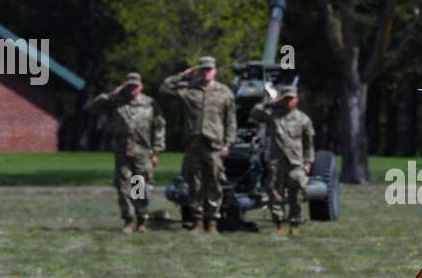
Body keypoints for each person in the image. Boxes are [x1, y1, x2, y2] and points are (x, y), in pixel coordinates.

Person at [159, 55, 237, 233]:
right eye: (202, 69)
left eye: (209, 69)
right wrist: (184, 75)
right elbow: (164, 88)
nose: (206, 72)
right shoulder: (188, 91)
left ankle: (213, 222)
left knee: (215, 184)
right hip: (194, 144)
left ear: (215, 71)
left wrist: (228, 144)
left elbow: (231, 121)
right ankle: (198, 221)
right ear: (198, 71)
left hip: (215, 145)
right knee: (195, 184)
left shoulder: (224, 92)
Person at [84, 72, 165, 233]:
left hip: (142, 152)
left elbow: (159, 126)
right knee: (123, 187)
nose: (132, 89)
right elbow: (93, 108)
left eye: (135, 86)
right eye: (129, 86)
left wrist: (156, 150)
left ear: (141, 86)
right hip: (122, 151)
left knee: (139, 186)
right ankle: (128, 220)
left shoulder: (150, 104)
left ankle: (141, 219)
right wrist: (112, 94)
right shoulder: (116, 102)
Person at [250, 85, 316, 235]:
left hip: (295, 163)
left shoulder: (303, 119)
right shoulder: (273, 115)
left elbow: (309, 144)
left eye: (291, 99)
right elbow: (254, 112)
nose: (288, 102)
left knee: (297, 195)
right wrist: (270, 103)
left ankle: (294, 224)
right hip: (276, 162)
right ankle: (279, 224)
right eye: (285, 99)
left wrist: (308, 162)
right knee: (275, 193)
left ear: (296, 99)